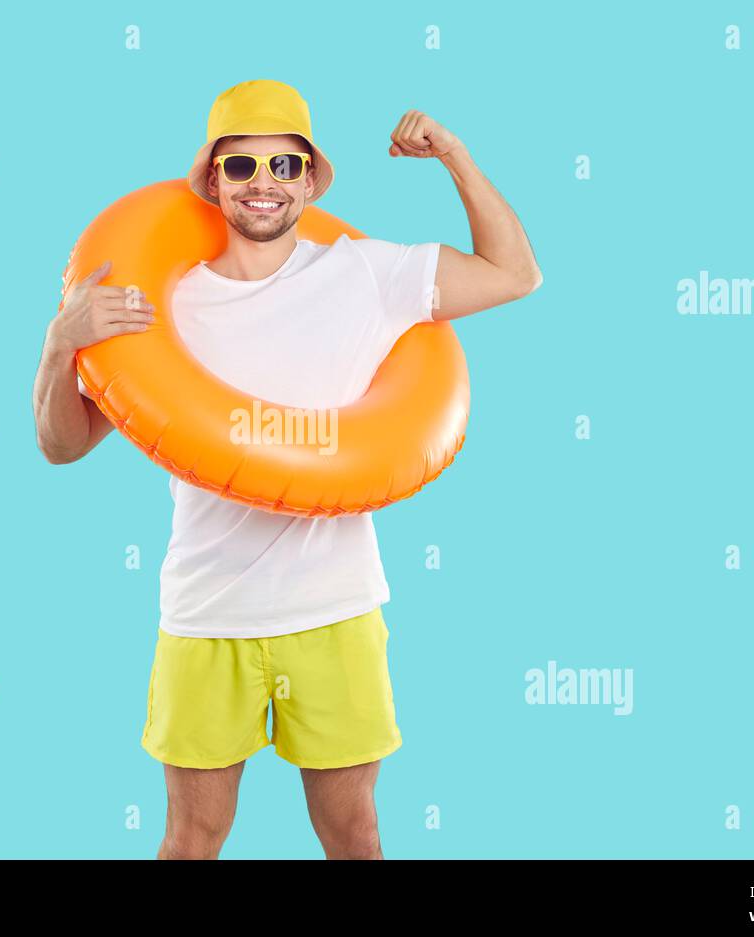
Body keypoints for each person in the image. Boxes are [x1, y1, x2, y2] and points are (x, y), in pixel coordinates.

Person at [32, 79, 541, 859]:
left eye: (283, 164)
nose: (262, 182)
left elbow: (515, 274)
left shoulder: (367, 274)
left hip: (334, 608)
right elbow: (63, 446)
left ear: (308, 180)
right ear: (213, 181)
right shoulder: (161, 305)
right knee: (191, 839)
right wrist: (58, 346)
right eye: (241, 166)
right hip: (208, 614)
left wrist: (456, 157)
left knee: (354, 833)